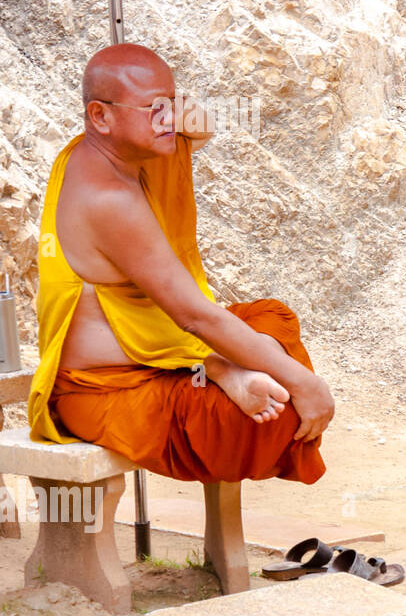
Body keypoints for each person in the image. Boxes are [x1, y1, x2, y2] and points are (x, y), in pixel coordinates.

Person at [26, 43, 333, 483]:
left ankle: (219, 367)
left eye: (173, 103)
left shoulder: (115, 154)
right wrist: (309, 386)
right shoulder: (107, 198)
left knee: (273, 319)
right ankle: (217, 368)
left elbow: (197, 130)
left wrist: (167, 105)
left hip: (156, 356)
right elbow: (194, 317)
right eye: (154, 109)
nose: (170, 119)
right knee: (280, 413)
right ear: (100, 116)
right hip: (107, 387)